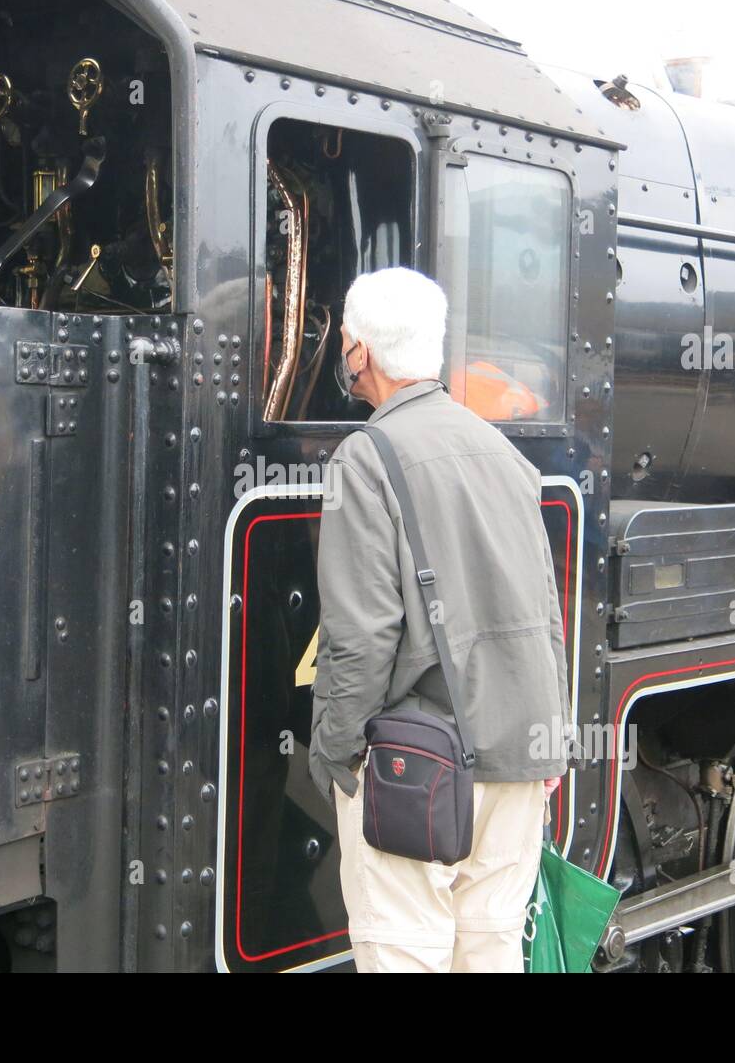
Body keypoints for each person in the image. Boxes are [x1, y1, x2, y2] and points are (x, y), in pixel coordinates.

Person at [308, 266, 572, 974]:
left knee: (406, 955)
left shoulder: (366, 458)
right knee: (489, 958)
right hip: (518, 758)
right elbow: (547, 614)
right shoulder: (506, 455)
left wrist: (337, 753)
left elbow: (362, 638)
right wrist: (551, 745)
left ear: (358, 353)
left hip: (415, 765)